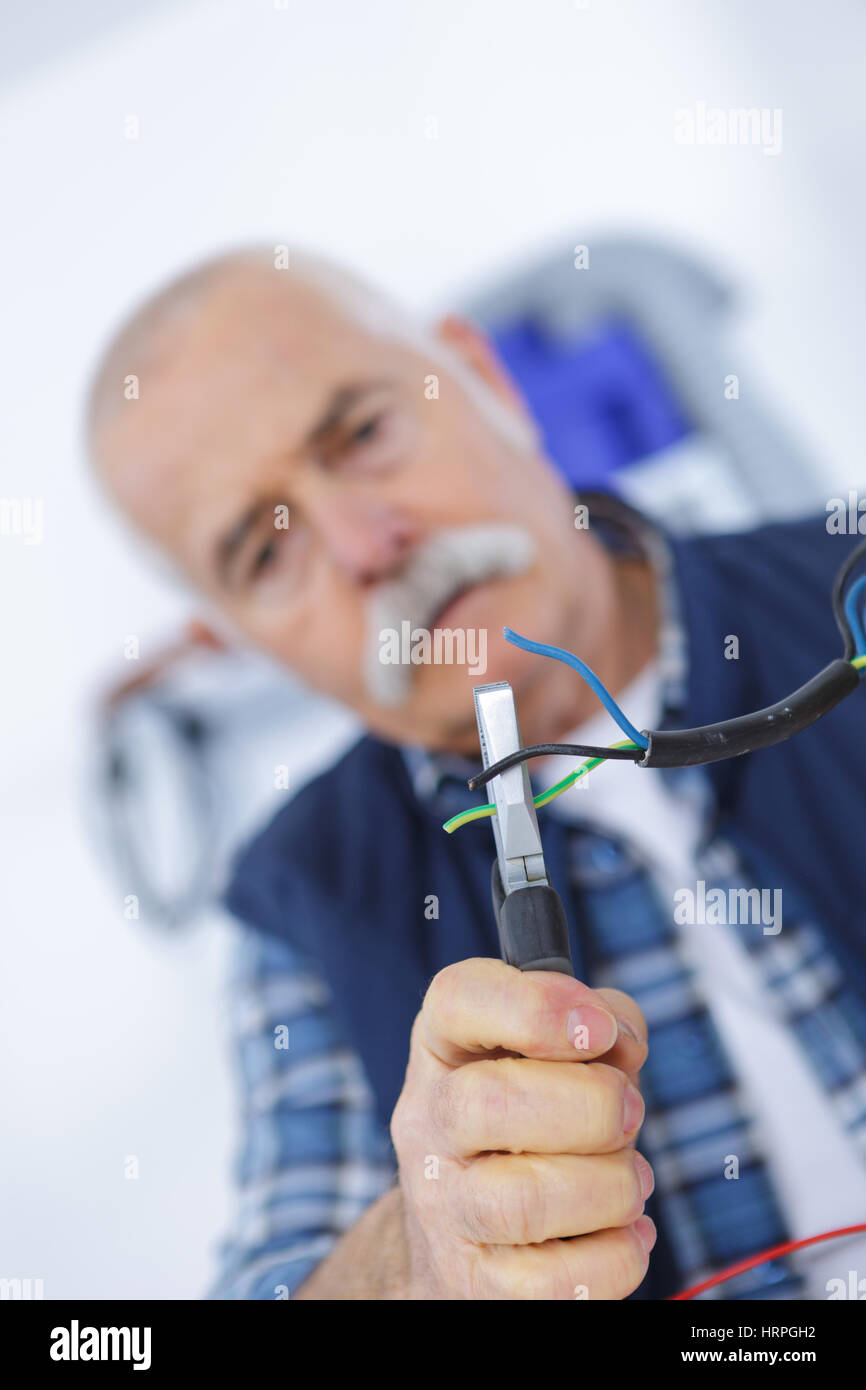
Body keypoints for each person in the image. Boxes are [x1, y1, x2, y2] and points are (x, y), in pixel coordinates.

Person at [88, 248, 866, 1299]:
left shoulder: (841, 593)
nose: (368, 546)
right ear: (237, 641)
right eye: (265, 555)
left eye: (362, 434)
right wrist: (420, 1255)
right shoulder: (306, 902)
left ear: (485, 381)